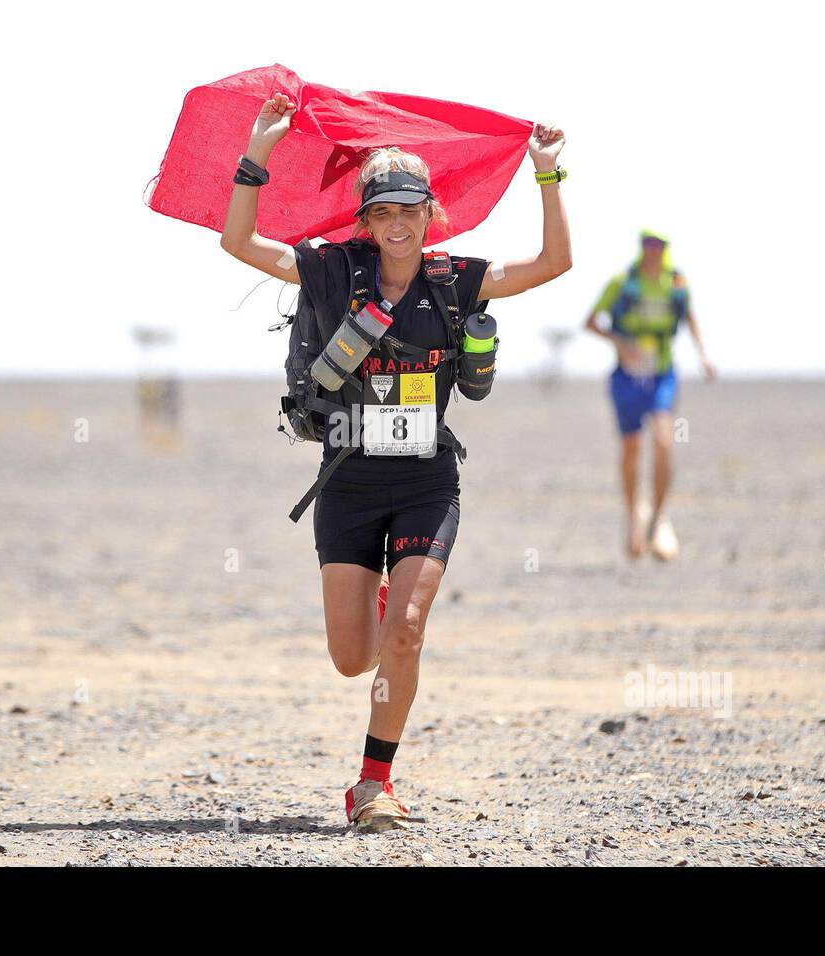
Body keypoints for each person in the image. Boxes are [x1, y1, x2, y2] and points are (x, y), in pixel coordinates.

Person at [220, 92, 571, 830]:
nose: (398, 223)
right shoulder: (330, 271)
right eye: (383, 212)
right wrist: (259, 153)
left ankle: (372, 783)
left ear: (430, 212)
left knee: (407, 632)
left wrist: (547, 175)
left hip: (425, 482)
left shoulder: (454, 280)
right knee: (353, 659)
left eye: (411, 209)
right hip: (348, 483)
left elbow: (553, 263)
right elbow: (241, 246)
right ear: (367, 220)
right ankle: (384, 609)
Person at [584, 230, 716, 560]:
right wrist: (623, 344)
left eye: (659, 244)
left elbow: (690, 317)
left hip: (661, 374)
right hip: (627, 377)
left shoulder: (676, 283)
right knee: (631, 447)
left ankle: (660, 518)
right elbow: (591, 322)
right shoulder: (622, 282)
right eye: (648, 244)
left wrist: (703, 356)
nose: (653, 250)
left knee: (664, 438)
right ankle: (634, 516)